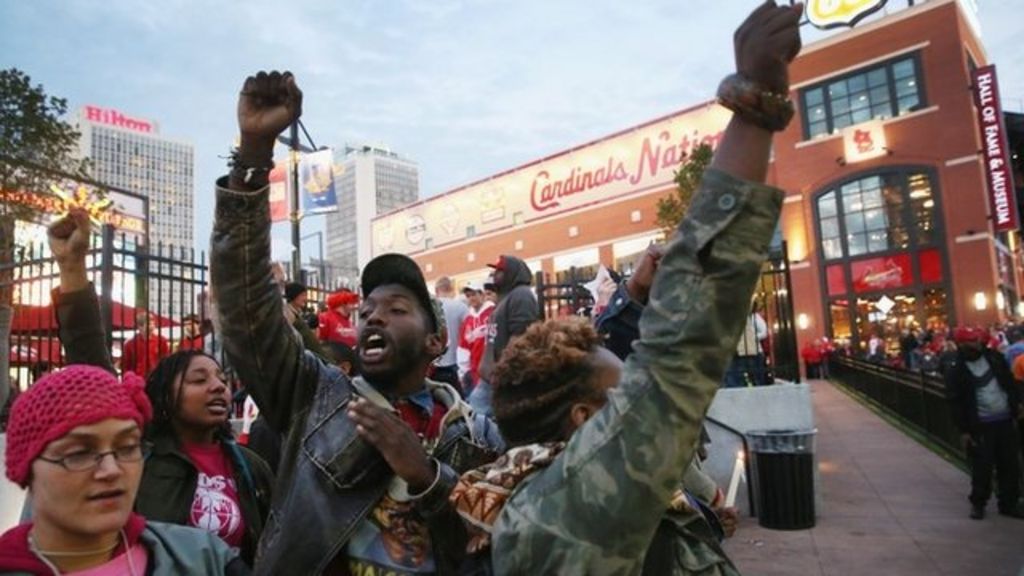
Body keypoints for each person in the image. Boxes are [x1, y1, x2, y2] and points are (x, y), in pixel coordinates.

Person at [453, 4, 801, 572]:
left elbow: (625, 353)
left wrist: (634, 298)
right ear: (583, 418)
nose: (638, 401)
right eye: (625, 398)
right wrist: (755, 108)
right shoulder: (564, 517)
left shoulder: (574, 496)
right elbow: (673, 365)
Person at [210, 71, 504, 575]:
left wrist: (426, 475)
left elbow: (495, 544)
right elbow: (245, 309)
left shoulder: (479, 435)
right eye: (367, 311)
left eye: (396, 310)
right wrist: (254, 156)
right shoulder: (316, 397)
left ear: (436, 342)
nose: (373, 317)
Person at [47, 209, 276, 565]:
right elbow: (90, 361)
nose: (218, 387)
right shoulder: (137, 454)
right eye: (199, 380)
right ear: (166, 394)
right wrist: (72, 267)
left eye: (221, 379)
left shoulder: (252, 467)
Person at [0, 364, 249, 575]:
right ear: (27, 471)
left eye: (127, 448)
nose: (111, 470)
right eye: (79, 454)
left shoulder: (206, 558)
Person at [945, 327, 1024, 520]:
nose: (976, 344)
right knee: (982, 467)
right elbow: (955, 401)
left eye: (976, 340)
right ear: (961, 344)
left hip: (1004, 419)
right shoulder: (956, 369)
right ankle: (978, 503)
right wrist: (964, 430)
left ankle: (1009, 502)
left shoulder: (994, 358)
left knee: (1009, 464)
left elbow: (1009, 383)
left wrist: (1017, 403)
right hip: (980, 425)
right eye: (970, 341)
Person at [472, 255, 539, 415]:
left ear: (512, 272)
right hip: (491, 380)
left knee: (474, 421)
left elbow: (521, 340)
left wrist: (504, 376)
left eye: (500, 271)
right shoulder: (506, 298)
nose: (494, 275)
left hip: (500, 381)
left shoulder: (521, 295)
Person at [457, 282, 494, 395]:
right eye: (468, 296)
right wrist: (463, 372)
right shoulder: (467, 321)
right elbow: (463, 347)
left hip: (494, 368)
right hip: (475, 373)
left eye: (474, 294)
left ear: (482, 294)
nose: (471, 298)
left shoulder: (493, 312)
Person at [432, 276, 469, 391]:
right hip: (457, 362)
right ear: (451, 289)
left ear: (437, 290)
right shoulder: (461, 307)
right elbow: (469, 334)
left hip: (435, 363)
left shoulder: (430, 307)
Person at [284, 282, 335, 362]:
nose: (305, 298)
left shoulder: (296, 313)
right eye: (302, 295)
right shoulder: (288, 313)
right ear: (294, 295)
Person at [724, 302, 769, 387]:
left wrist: (753, 338)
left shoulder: (752, 316)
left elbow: (764, 331)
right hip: (738, 352)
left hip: (748, 351)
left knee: (753, 379)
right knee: (736, 379)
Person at [121, 310, 170, 378]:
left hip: (156, 378)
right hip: (137, 378)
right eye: (149, 324)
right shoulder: (130, 344)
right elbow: (126, 366)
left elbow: (166, 361)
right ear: (139, 327)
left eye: (153, 324)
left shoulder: (162, 341)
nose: (152, 326)